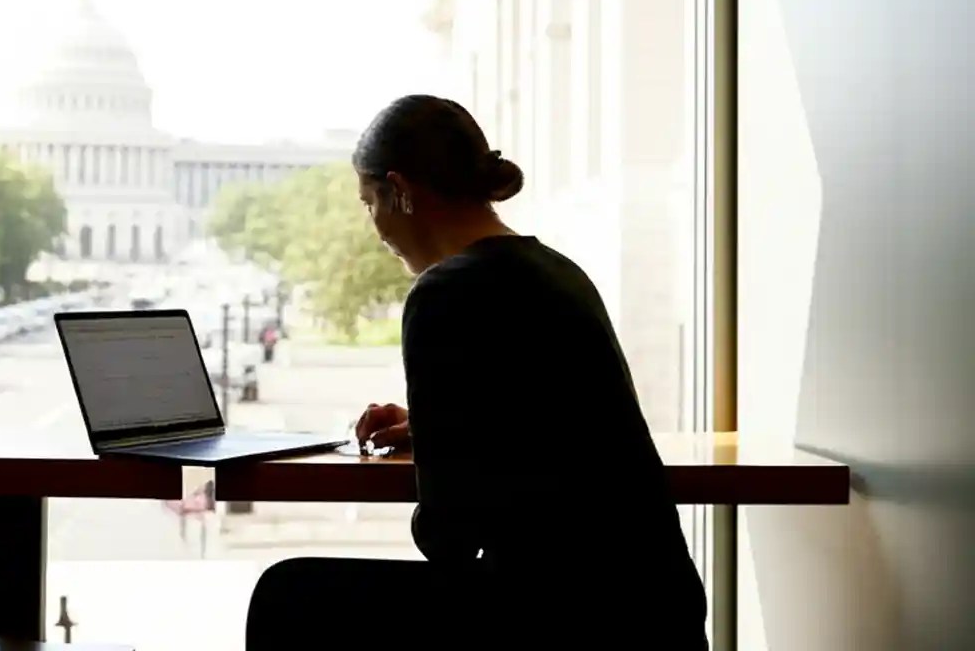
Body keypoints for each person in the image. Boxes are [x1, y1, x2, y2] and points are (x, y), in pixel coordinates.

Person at [245, 95, 707, 649]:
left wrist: (445, 453)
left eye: (371, 204)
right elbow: (552, 426)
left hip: (562, 617)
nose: (376, 228)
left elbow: (447, 537)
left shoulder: (443, 293)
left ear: (402, 192)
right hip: (656, 606)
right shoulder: (559, 271)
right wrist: (440, 425)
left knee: (288, 596)